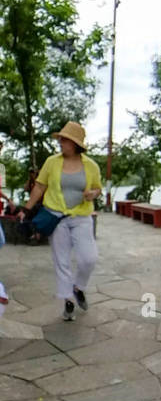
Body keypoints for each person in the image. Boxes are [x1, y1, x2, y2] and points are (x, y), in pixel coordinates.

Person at [25, 122, 102, 322]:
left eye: (64, 139)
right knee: (62, 261)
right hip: (56, 217)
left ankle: (78, 288)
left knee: (89, 258)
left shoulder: (91, 166)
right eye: (60, 139)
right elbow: (40, 187)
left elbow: (97, 189)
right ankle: (68, 300)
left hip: (81, 217)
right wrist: (26, 209)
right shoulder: (52, 162)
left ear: (75, 143)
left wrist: (92, 194)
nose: (60, 142)